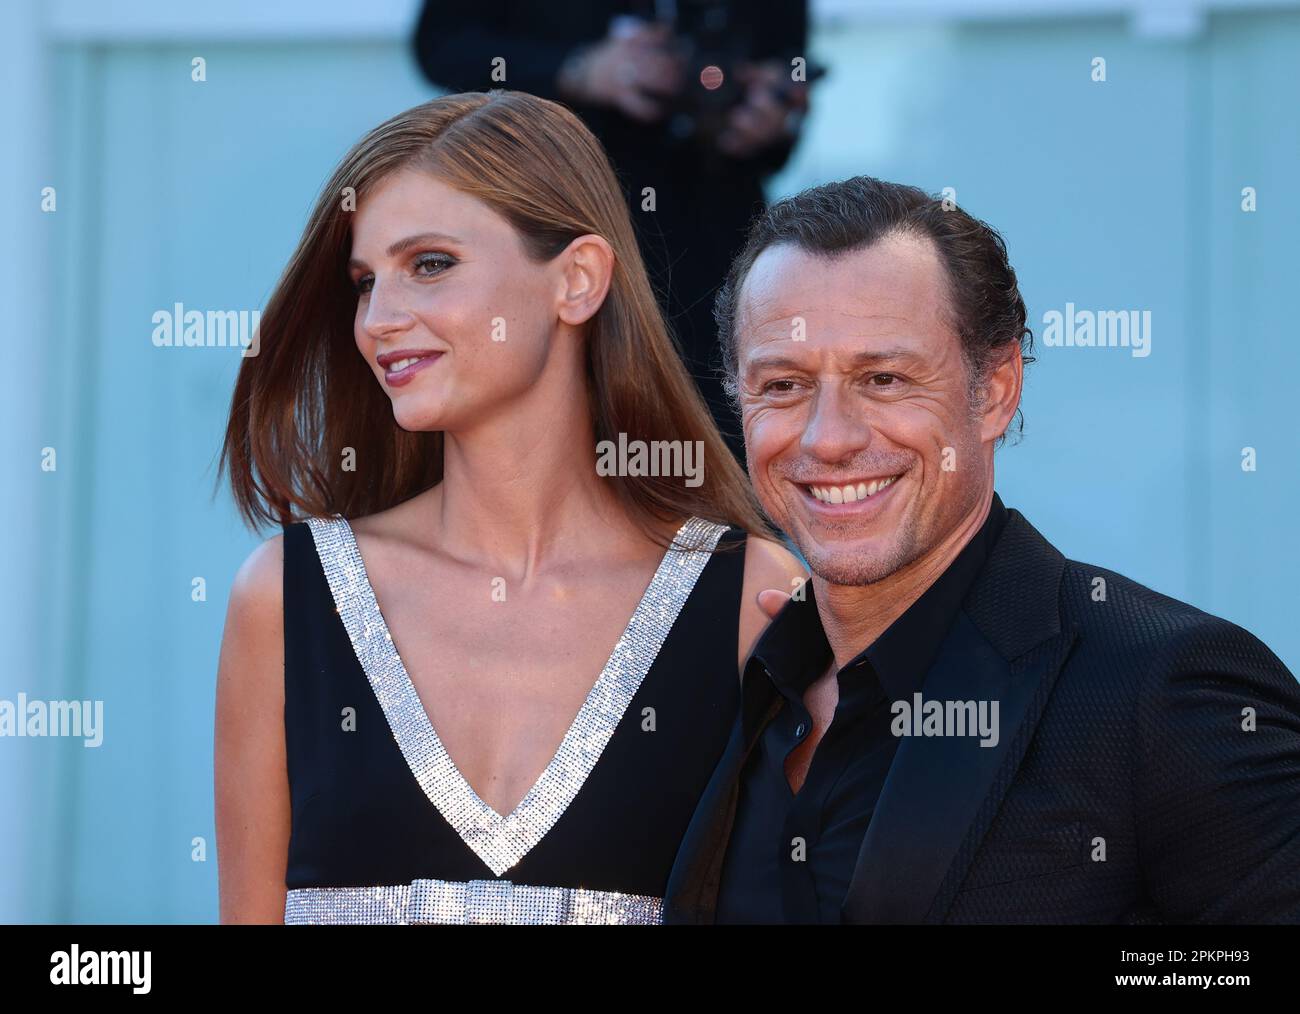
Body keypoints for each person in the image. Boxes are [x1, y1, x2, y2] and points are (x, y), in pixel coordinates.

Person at [213, 90, 806, 924]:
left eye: (430, 264)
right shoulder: (284, 600)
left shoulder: (747, 600)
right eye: (363, 282)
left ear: (577, 280)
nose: (380, 320)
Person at [665, 175, 1300, 924]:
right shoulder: (744, 686)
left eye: (884, 378)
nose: (828, 438)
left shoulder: (1162, 688)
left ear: (995, 390)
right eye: (784, 384)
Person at [411, 0, 813, 464]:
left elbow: (787, 70)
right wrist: (578, 69)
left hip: (714, 243)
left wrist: (769, 116)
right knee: (565, 449)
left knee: (725, 458)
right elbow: (441, 44)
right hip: (558, 224)